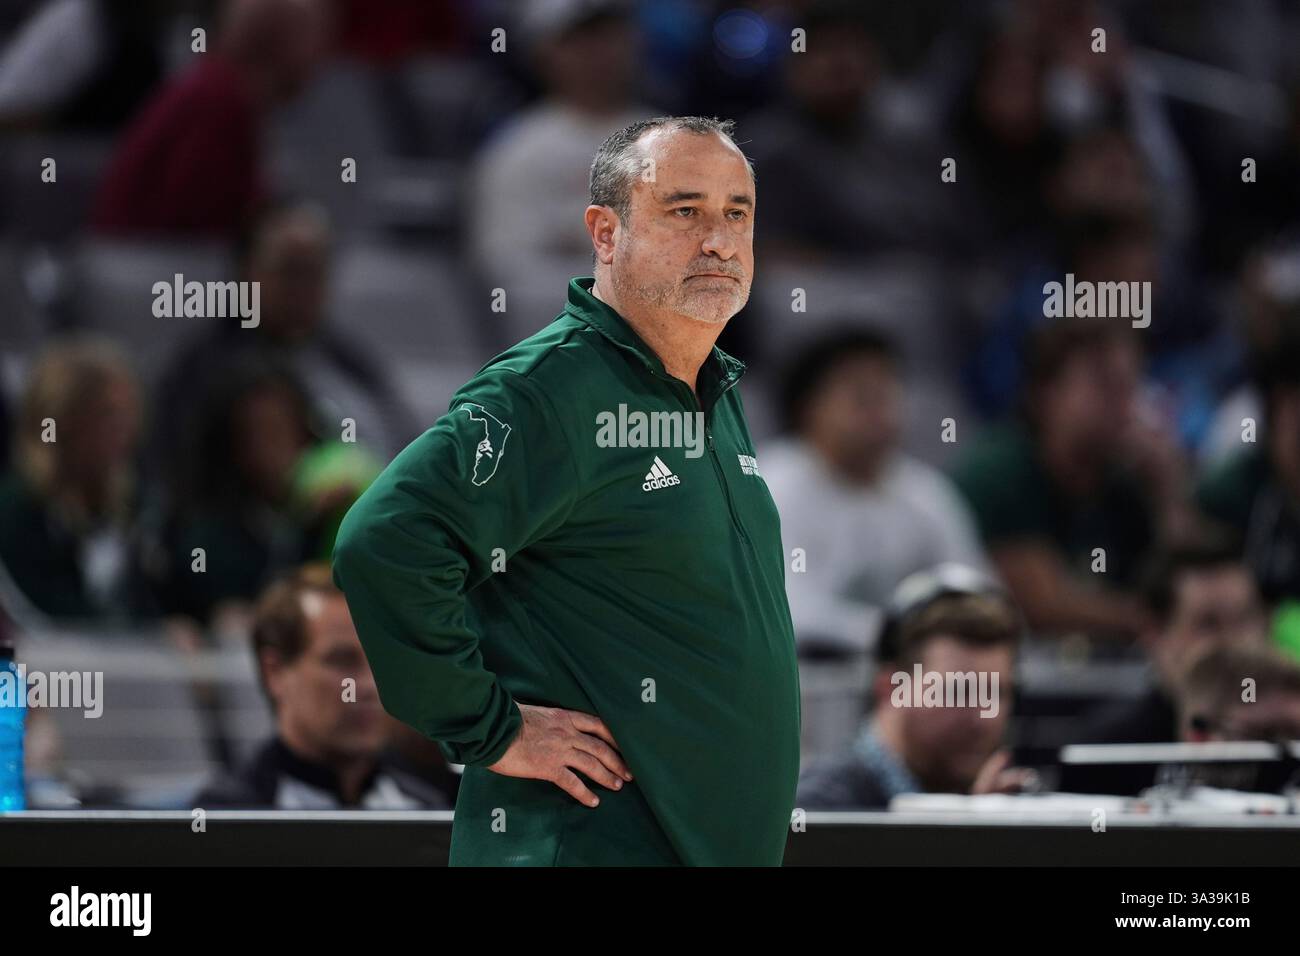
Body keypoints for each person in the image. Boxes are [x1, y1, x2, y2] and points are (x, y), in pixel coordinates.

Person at [333, 116, 800, 866]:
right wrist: (494, 729)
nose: (718, 239)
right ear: (605, 233)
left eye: (736, 213)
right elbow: (385, 541)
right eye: (684, 211)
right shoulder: (550, 391)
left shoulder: (714, 388)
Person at [953, 317, 1193, 642]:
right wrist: (1155, 618)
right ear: (1046, 393)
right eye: (1105, 385)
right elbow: (1043, 607)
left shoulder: (1127, 482)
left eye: (1131, 385)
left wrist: (1167, 492)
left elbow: (1190, 583)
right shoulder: (999, 472)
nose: (1125, 404)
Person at [761, 328, 988, 656]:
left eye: (887, 391)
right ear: (808, 407)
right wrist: (909, 633)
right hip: (799, 681)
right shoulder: (772, 484)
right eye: (860, 395)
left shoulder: (927, 492)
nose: (878, 408)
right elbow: (785, 611)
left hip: (911, 677)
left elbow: (978, 600)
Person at [196, 564, 449, 809]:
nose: (370, 686)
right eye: (341, 660)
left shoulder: (428, 810)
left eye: (381, 660)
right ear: (274, 671)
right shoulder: (228, 821)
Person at [797, 564, 1033, 809]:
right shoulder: (821, 812)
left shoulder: (999, 801)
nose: (983, 719)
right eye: (957, 693)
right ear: (889, 689)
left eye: (997, 693)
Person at [90, 0, 331, 237]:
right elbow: (200, 225)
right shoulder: (220, 103)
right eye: (317, 37)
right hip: (144, 266)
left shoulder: (224, 89)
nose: (322, 56)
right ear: (281, 40)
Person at [1058, 540, 1270, 795]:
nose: (1234, 643)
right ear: (1154, 634)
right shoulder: (1102, 756)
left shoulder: (1288, 741)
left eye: (1244, 619)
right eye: (1208, 624)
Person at [0, 338, 155, 623]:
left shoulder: (132, 505)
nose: (125, 431)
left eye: (128, 414)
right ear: (65, 419)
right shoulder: (16, 510)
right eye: (108, 416)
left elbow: (151, 595)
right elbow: (45, 611)